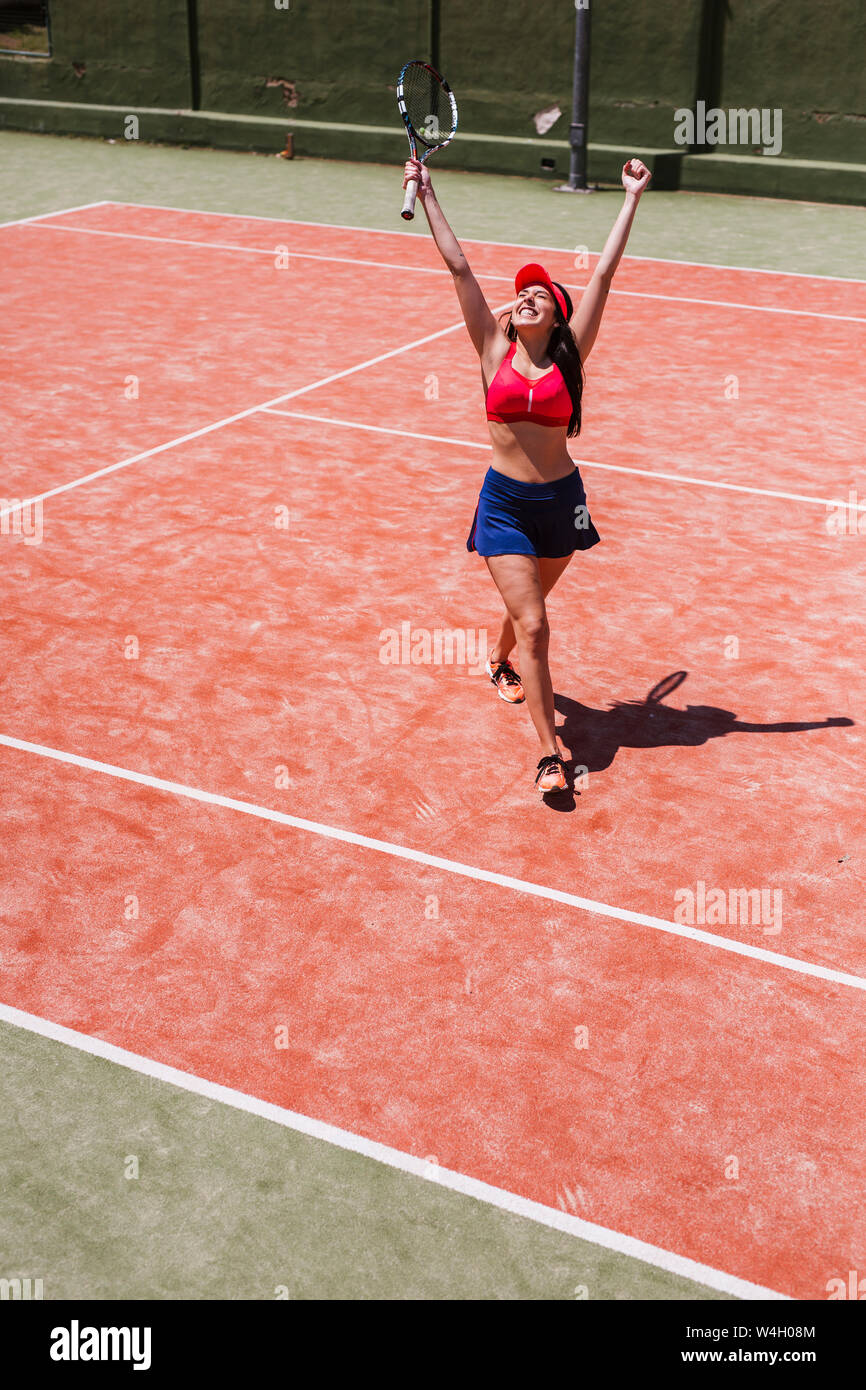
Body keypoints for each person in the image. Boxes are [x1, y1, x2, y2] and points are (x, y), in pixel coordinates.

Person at [403, 153, 652, 793]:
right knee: (538, 623)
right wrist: (427, 193)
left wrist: (631, 197)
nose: (526, 296)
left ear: (558, 317)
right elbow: (459, 266)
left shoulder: (572, 357)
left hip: (564, 504)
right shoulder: (492, 348)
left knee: (532, 607)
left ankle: (497, 657)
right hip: (506, 504)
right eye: (522, 293)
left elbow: (604, 273)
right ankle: (549, 754)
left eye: (540, 293)